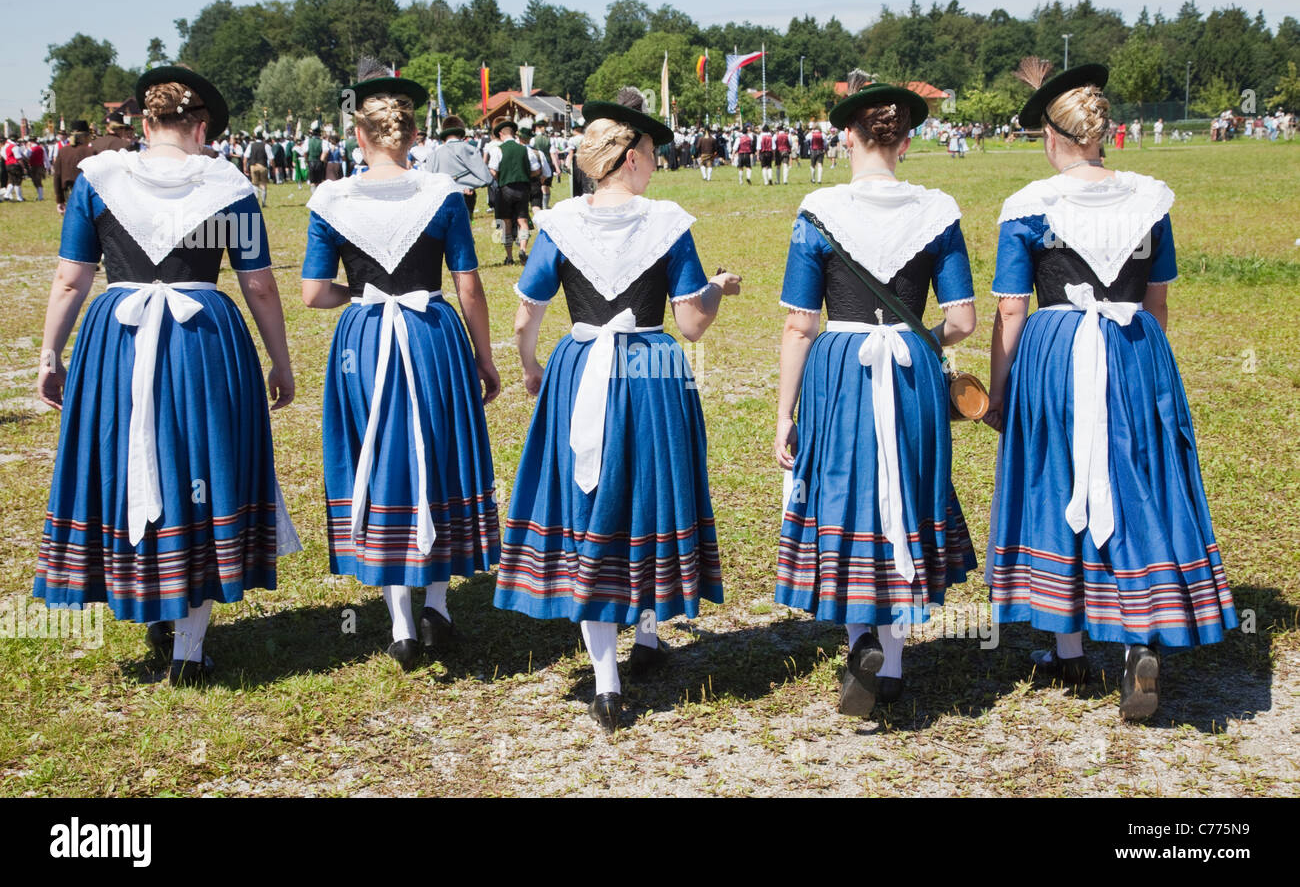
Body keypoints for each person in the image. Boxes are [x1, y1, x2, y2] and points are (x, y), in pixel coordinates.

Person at [985, 60, 1237, 721]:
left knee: (1055, 481)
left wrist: (1002, 391)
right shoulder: (1150, 199)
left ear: (1051, 134)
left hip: (1054, 354)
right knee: (1136, 487)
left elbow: (1012, 309)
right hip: (1130, 350)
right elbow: (1155, 304)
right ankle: (1139, 641)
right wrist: (1145, 372)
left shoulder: (1029, 206)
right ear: (1098, 131)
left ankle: (1067, 648)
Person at [34, 65, 300, 686]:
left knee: (126, 461)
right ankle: (188, 645)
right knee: (204, 467)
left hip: (115, 337)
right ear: (201, 126)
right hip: (203, 335)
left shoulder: (98, 180)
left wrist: (50, 353)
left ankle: (151, 602)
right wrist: (281, 361)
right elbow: (257, 284)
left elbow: (72, 278)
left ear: (144, 123)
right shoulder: (229, 186)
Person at [493, 88, 741, 734]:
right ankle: (650, 635)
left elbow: (527, 314)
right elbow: (690, 324)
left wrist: (529, 365)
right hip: (651, 366)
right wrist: (716, 287)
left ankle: (608, 679)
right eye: (652, 151)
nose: (656, 162)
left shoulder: (560, 223)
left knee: (590, 501)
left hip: (580, 367)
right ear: (628, 157)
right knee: (649, 495)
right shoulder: (667, 223)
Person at [774, 81, 978, 717]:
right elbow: (965, 319)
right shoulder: (937, 211)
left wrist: (784, 413)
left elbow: (800, 324)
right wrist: (919, 342)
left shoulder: (818, 212)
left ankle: (859, 636)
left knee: (845, 493)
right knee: (905, 494)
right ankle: (889, 662)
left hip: (839, 366)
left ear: (847, 138)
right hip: (911, 366)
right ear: (907, 142)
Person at [302, 62, 501, 671]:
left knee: (378, 454)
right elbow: (468, 285)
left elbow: (313, 292)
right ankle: (438, 605)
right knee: (437, 452)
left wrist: (359, 298)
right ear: (414, 138)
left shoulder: (330, 198)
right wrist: (484, 359)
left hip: (363, 339)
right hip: (432, 332)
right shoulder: (443, 195)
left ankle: (398, 623)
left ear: (359, 137)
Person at [487, 117, 537, 265]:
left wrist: (502, 177)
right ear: (514, 133)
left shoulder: (497, 150)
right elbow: (536, 170)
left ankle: (509, 257)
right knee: (522, 221)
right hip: (523, 189)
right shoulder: (525, 149)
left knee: (506, 223)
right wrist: (524, 174)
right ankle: (522, 249)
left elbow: (493, 171)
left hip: (505, 189)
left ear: (501, 134)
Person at [428, 115, 493, 216]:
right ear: (461, 131)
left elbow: (429, 182)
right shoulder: (469, 149)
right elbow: (486, 178)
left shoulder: (434, 155)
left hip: (442, 198)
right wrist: (468, 185)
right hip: (465, 196)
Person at [53, 120, 94, 213]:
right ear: (86, 136)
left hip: (70, 193)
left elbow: (57, 176)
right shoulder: (91, 152)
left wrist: (59, 200)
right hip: (87, 192)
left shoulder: (63, 151)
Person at [244, 130, 270, 206]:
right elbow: (271, 158)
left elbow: (245, 158)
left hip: (253, 166)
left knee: (255, 184)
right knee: (263, 184)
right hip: (262, 166)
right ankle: (263, 202)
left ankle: (256, 200)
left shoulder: (250, 145)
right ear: (262, 138)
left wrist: (245, 167)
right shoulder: (266, 145)